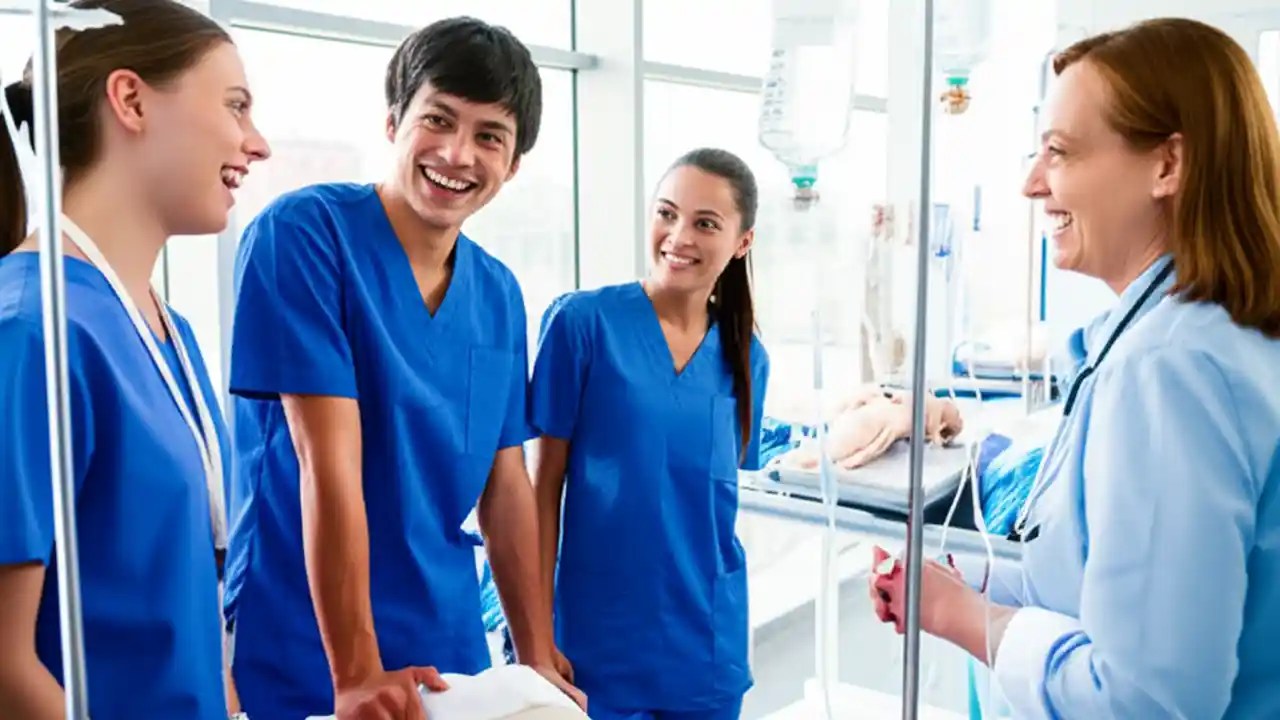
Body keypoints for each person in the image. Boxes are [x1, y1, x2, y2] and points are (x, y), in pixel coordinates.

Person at [870, 17, 1280, 719]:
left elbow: (1147, 701)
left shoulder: (1167, 370)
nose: (1032, 184)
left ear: (1167, 165)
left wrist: (965, 617)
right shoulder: (1217, 337)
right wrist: (977, 581)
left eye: (1058, 152)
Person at [223, 16, 580, 720]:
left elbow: (505, 483)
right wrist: (356, 670)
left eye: (489, 137)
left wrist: (534, 655)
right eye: (437, 120)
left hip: (447, 639)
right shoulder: (304, 236)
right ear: (393, 122)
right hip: (306, 637)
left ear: (513, 164)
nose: (457, 153)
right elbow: (327, 461)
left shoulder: (499, 292)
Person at [0, 1, 271, 718]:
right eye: (236, 105)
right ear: (130, 100)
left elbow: (189, 602)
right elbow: (3, 666)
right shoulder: (30, 331)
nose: (258, 142)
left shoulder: (165, 331)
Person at [531, 148, 770, 720]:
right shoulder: (582, 325)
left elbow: (706, 506)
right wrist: (535, 635)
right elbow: (541, 492)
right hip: (592, 643)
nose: (678, 236)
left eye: (706, 223)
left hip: (706, 647)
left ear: (742, 242)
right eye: (667, 213)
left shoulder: (747, 359)